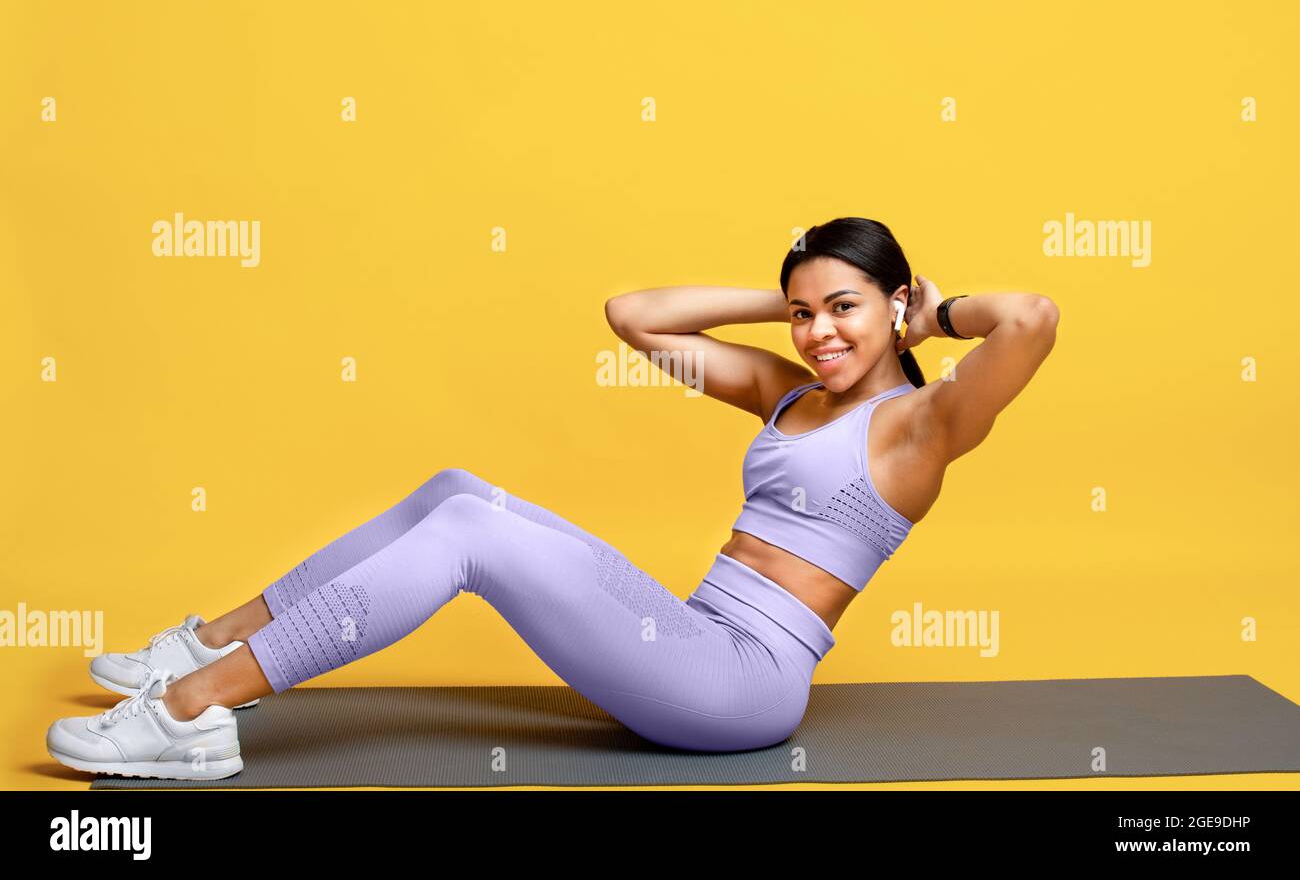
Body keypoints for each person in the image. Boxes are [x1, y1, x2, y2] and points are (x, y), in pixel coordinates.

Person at [46, 216, 1060, 779]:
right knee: (455, 492)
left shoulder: (922, 431)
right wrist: (789, 284)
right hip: (688, 634)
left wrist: (936, 312)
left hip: (741, 687)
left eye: (843, 309)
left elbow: (1032, 318)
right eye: (804, 314)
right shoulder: (786, 388)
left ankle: (193, 716)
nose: (816, 332)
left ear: (896, 304)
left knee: (469, 541)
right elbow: (635, 317)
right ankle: (211, 644)